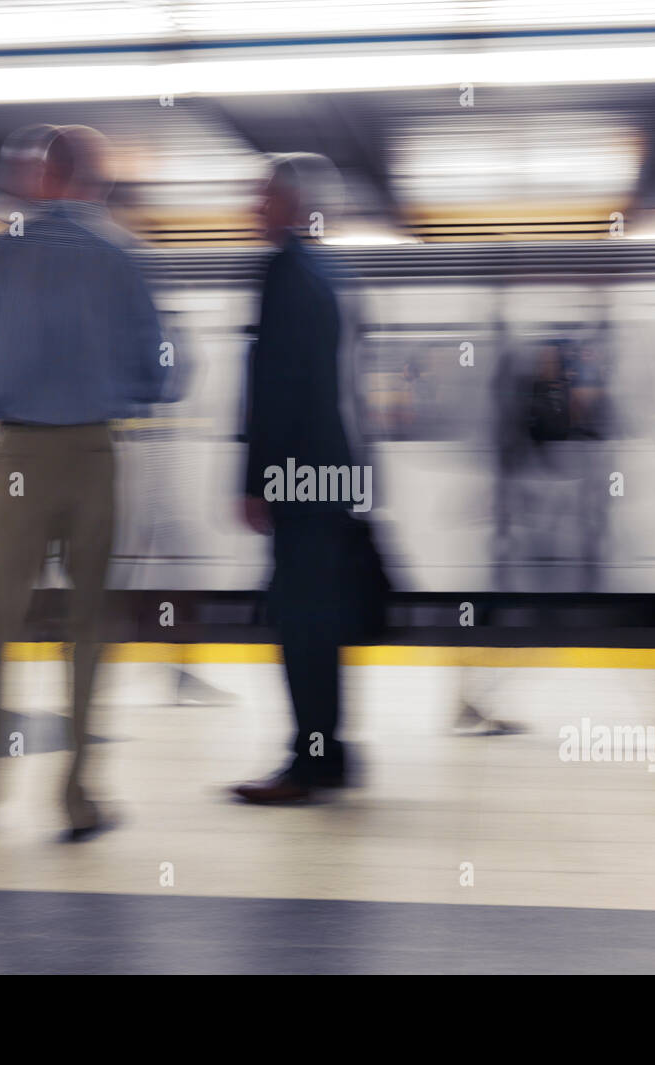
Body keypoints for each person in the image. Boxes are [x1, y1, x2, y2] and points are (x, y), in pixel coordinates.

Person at [0, 124, 170, 839]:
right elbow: (159, 372)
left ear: (41, 177)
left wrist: (2, 386)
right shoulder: (122, 256)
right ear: (90, 179)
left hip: (16, 456)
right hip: (94, 455)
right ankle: (76, 797)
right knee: (89, 627)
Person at [234, 153, 364, 804]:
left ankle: (309, 761)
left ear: (292, 204)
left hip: (299, 475)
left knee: (300, 622)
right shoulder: (329, 272)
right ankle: (328, 753)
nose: (252, 208)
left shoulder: (284, 273)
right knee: (317, 621)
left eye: (262, 196)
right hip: (330, 473)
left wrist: (257, 480)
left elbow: (278, 387)